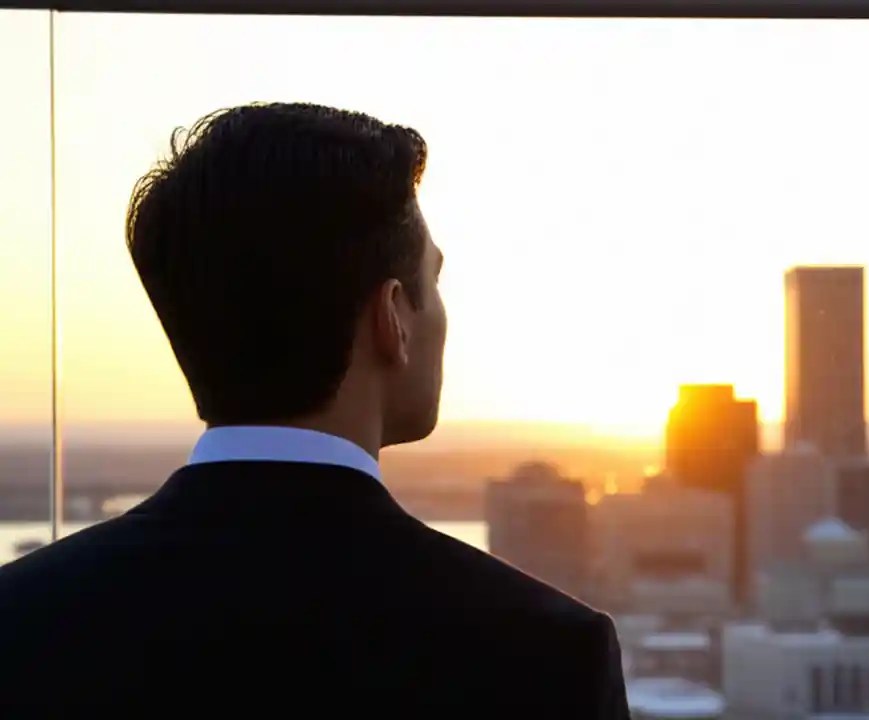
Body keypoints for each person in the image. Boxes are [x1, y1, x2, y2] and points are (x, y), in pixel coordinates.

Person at [0, 103, 629, 717]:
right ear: (393, 319)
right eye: (433, 284)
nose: (442, 314)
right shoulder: (546, 654)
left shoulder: (22, 618)